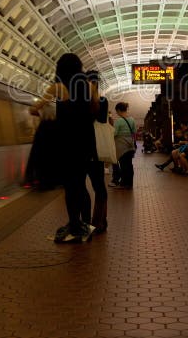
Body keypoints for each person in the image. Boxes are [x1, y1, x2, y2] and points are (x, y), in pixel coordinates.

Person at [32, 53, 99, 242]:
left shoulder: (58, 87)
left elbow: (34, 108)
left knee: (71, 187)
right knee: (81, 184)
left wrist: (46, 115)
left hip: (67, 142)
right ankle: (86, 224)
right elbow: (93, 111)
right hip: (86, 141)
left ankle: (75, 225)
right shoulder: (90, 86)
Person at [83, 70, 109, 233]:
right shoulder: (100, 101)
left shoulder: (98, 101)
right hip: (89, 150)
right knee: (96, 186)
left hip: (89, 150)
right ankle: (96, 221)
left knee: (94, 186)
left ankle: (93, 221)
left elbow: (99, 120)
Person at [113, 102, 136, 189]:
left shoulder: (118, 121)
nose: (117, 113)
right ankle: (130, 184)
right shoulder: (132, 120)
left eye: (116, 111)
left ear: (119, 110)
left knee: (123, 165)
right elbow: (134, 132)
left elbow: (114, 133)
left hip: (122, 146)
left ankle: (123, 184)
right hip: (130, 145)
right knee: (129, 165)